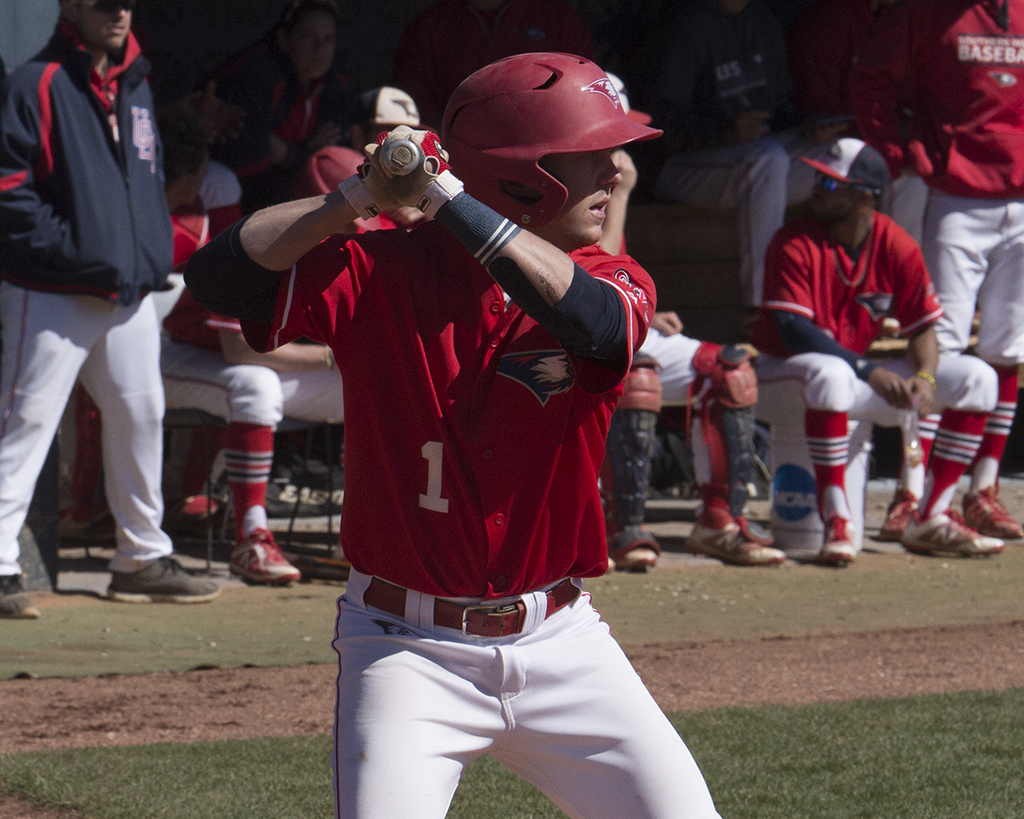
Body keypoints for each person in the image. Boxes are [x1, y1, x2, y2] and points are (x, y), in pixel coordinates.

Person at [186, 52, 722, 819]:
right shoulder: (378, 269)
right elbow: (217, 276)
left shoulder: (614, 277)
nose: (617, 170)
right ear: (523, 177)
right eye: (592, 153)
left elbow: (597, 325)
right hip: (405, 648)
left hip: (563, 642)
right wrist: (357, 196)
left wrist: (446, 198)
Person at [0, 0, 220, 619]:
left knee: (141, 415)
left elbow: (145, 180)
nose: (117, 12)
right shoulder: (36, 82)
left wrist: (136, 254)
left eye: (125, 2)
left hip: (125, 294)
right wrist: (77, 252)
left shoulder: (135, 83)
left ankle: (141, 558)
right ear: (70, 4)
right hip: (52, 291)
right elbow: (8, 191)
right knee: (25, 422)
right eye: (103, 2)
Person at [750, 138, 1003, 565]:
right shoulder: (793, 239)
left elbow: (923, 328)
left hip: (852, 378)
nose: (817, 189)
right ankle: (837, 521)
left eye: (832, 184)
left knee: (978, 378)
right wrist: (870, 371)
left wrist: (925, 378)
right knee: (830, 373)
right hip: (781, 377)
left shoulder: (894, 242)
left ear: (865, 197)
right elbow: (793, 332)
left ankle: (931, 516)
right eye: (819, 180)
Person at [849, 0, 1024, 541]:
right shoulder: (927, 11)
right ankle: (911, 492)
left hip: (1021, 197)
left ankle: (982, 490)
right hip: (954, 194)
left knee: (1008, 348)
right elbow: (871, 75)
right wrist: (889, 153)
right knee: (937, 349)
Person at [598, 78, 784, 569]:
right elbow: (593, 275)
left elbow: (610, 281)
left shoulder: (601, 179)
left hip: (611, 321)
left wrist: (644, 311)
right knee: (637, 377)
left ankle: (718, 521)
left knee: (728, 371)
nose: (623, 149)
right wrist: (621, 194)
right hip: (562, 333)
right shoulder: (556, 186)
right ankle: (619, 526)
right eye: (612, 135)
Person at [159, 112, 347, 585]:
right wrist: (329, 356)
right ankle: (251, 538)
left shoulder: (362, 246)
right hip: (172, 350)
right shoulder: (269, 240)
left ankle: (367, 535)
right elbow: (239, 349)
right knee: (255, 385)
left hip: (238, 361)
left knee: (366, 387)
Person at [635, 0, 843, 320]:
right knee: (767, 160)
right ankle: (766, 310)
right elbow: (657, 124)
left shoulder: (763, 23)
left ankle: (848, 300)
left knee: (841, 155)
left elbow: (780, 108)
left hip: (752, 158)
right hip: (677, 165)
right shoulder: (685, 26)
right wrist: (724, 132)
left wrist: (807, 126)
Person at [785, 0, 927, 244]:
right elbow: (816, 111)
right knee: (901, 173)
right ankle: (893, 264)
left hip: (856, 140)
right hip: (802, 148)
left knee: (914, 166)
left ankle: (903, 265)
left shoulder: (889, 16)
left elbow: (904, 97)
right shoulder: (831, 18)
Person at [211, 0, 357, 213]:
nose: (320, 48)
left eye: (328, 39)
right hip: (234, 190)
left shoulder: (333, 82)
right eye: (308, 37)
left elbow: (331, 154)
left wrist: (287, 153)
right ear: (284, 39)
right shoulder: (257, 75)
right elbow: (251, 158)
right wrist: (303, 155)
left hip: (283, 184)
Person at [392, 0, 595, 129]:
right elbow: (412, 116)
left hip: (546, 153)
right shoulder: (429, 27)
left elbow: (588, 102)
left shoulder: (559, 19)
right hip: (457, 159)